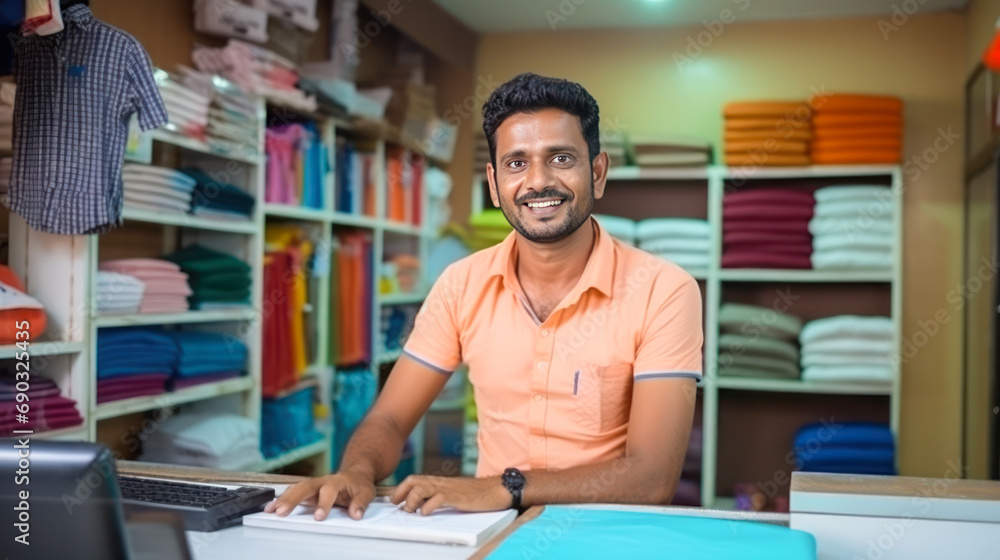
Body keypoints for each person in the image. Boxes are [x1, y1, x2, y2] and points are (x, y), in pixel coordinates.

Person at [266, 73, 703, 521]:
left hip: (608, 536)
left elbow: (653, 477)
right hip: (489, 535)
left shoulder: (663, 290)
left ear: (597, 172)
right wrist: (356, 472)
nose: (538, 181)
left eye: (561, 157)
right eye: (517, 163)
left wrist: (505, 487)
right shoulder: (461, 283)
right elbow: (390, 420)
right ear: (494, 185)